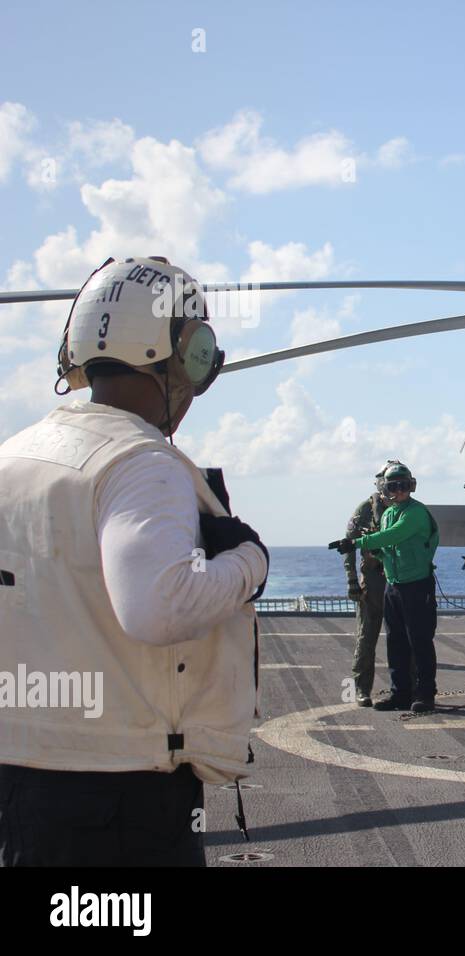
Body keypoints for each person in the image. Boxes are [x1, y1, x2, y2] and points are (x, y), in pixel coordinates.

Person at [0, 256, 268, 866]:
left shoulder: (15, 456)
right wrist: (249, 561)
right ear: (179, 353)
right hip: (124, 794)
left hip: (24, 777)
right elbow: (158, 607)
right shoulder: (140, 462)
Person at [339, 463, 439, 713]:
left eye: (404, 486)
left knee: (420, 641)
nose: (399, 491)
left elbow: (394, 535)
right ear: (385, 487)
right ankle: (400, 693)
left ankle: (425, 694)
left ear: (411, 486)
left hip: (416, 585)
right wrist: (375, 555)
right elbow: (388, 549)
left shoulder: (414, 513)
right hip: (392, 585)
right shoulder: (386, 514)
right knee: (395, 642)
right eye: (394, 486)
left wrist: (360, 542)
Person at [343, 465, 393, 707]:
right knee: (366, 637)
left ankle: (407, 686)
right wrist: (352, 581)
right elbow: (348, 545)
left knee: (404, 637)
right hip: (372, 582)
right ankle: (362, 688)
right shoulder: (365, 510)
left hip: (398, 580)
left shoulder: (405, 509)